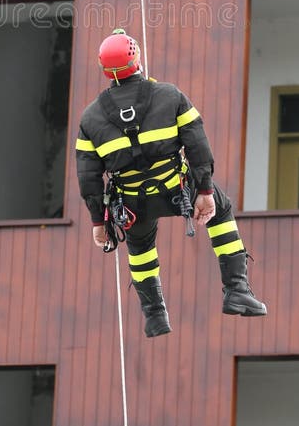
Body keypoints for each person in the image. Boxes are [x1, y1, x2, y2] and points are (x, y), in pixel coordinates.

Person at [75, 29, 267, 338]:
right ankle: (236, 290)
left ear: (104, 69)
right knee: (222, 208)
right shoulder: (169, 95)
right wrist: (204, 192)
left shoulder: (90, 117)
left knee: (139, 246)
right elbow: (198, 147)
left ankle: (154, 316)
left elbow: (88, 178)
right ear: (135, 58)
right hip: (177, 190)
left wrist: (100, 221)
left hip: (132, 204)